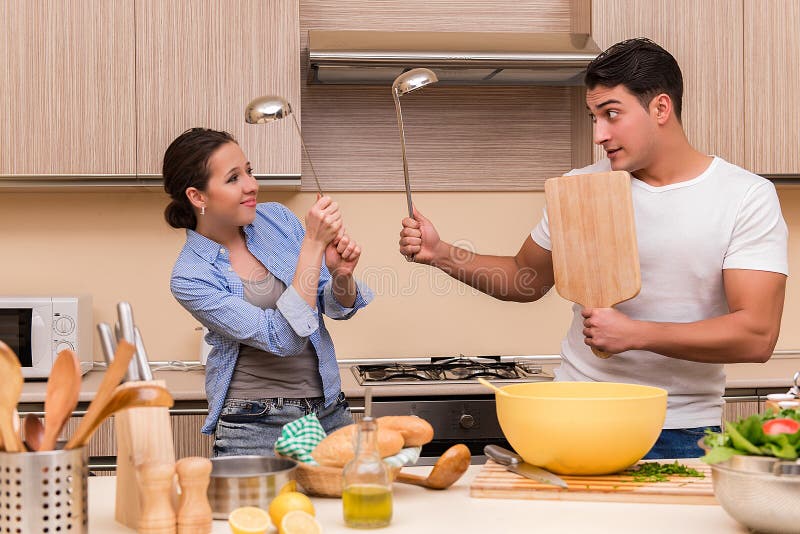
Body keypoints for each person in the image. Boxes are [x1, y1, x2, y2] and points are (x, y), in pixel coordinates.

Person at [398, 38, 788, 459]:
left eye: (612, 114)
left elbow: (756, 336)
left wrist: (635, 334)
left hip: (679, 429)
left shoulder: (744, 197)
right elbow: (525, 278)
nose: (600, 134)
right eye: (594, 118)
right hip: (573, 415)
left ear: (660, 108)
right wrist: (442, 253)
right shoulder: (580, 189)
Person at [164, 127, 373, 456]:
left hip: (328, 410)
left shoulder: (277, 219)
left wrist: (340, 275)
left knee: (360, 490)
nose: (251, 185)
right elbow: (283, 339)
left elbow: (331, 305)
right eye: (233, 178)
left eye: (249, 171)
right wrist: (313, 244)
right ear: (198, 196)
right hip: (254, 423)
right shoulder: (191, 276)